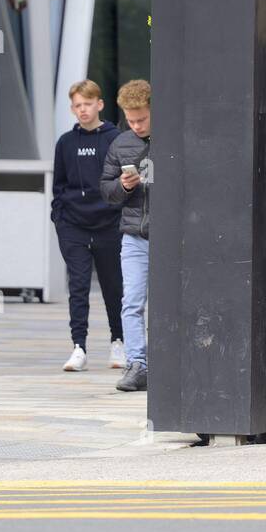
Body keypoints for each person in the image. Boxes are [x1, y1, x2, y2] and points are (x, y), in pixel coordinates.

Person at [51, 80, 125, 372]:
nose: (83, 110)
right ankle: (79, 346)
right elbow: (59, 185)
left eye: (87, 104)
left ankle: (118, 342)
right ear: (72, 108)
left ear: (100, 104)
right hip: (73, 225)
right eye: (77, 106)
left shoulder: (115, 139)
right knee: (78, 286)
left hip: (109, 224)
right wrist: (59, 218)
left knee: (113, 286)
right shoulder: (66, 143)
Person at [100, 79, 152, 393]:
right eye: (131, 120)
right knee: (131, 302)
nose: (136, 125)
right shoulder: (120, 144)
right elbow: (106, 191)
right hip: (134, 235)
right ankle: (138, 365)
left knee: (167, 302)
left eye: (142, 119)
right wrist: (124, 186)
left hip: (169, 235)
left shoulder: (173, 137)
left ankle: (164, 362)